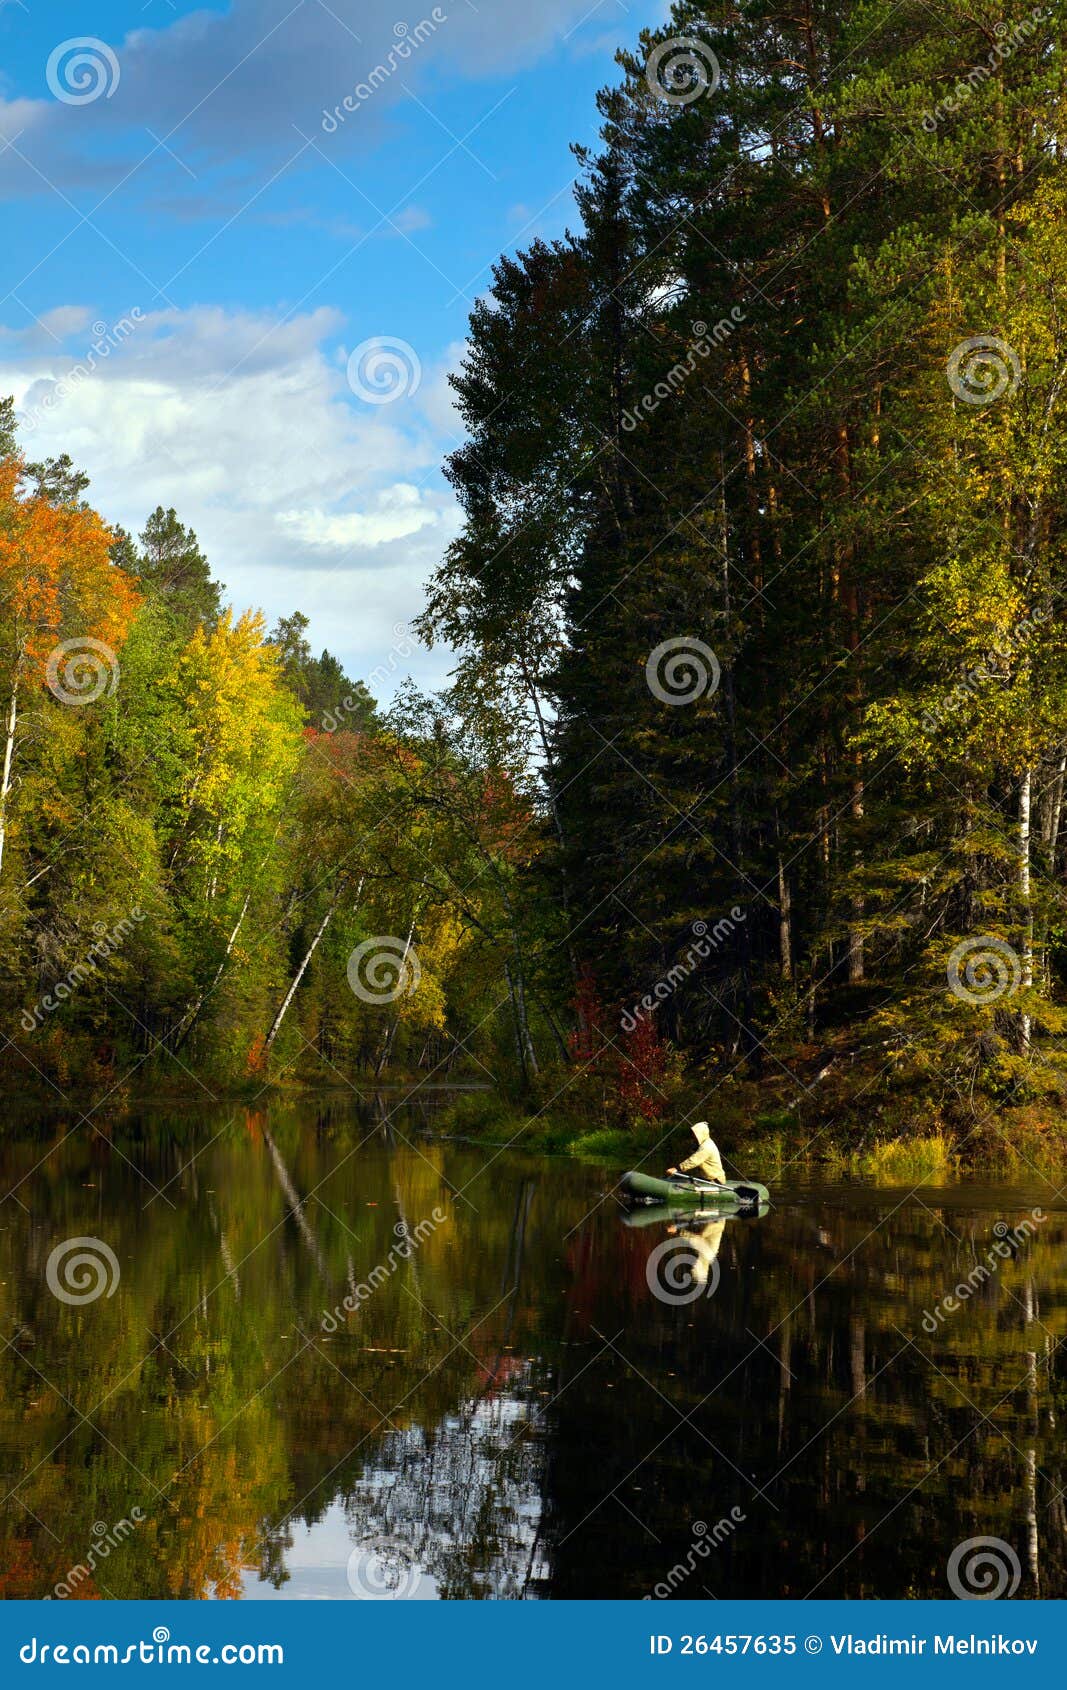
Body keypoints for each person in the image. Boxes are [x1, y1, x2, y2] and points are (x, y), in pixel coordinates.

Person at [666, 1120, 727, 1185]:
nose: (694, 1136)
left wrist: (676, 1168)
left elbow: (694, 1161)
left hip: (715, 1181)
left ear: (701, 1134)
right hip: (707, 1178)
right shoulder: (705, 1143)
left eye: (695, 1134)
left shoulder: (707, 1147)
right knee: (680, 1178)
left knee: (685, 1182)